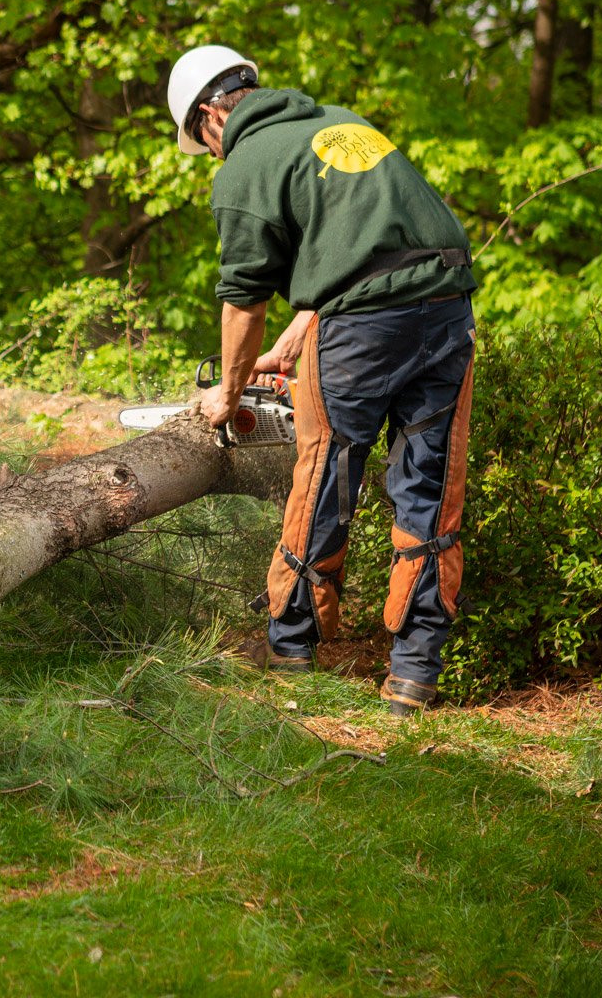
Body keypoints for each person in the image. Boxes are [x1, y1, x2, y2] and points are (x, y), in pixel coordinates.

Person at [167, 45, 478, 716]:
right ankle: (414, 677)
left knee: (327, 470)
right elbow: (377, 250)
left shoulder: (246, 163)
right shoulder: (340, 123)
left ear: (209, 116)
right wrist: (302, 331)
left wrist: (230, 389)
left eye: (202, 141)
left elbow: (243, 299)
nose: (212, 154)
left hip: (365, 328)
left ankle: (291, 648)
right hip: (448, 310)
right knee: (430, 483)